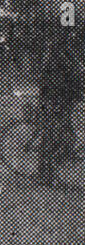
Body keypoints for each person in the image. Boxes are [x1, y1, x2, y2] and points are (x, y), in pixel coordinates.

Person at [37, 26, 85, 181]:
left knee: (66, 133)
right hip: (55, 97)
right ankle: (46, 174)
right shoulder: (56, 52)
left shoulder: (65, 50)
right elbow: (73, 71)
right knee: (56, 135)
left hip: (65, 97)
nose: (71, 37)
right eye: (68, 34)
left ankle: (51, 170)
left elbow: (78, 69)